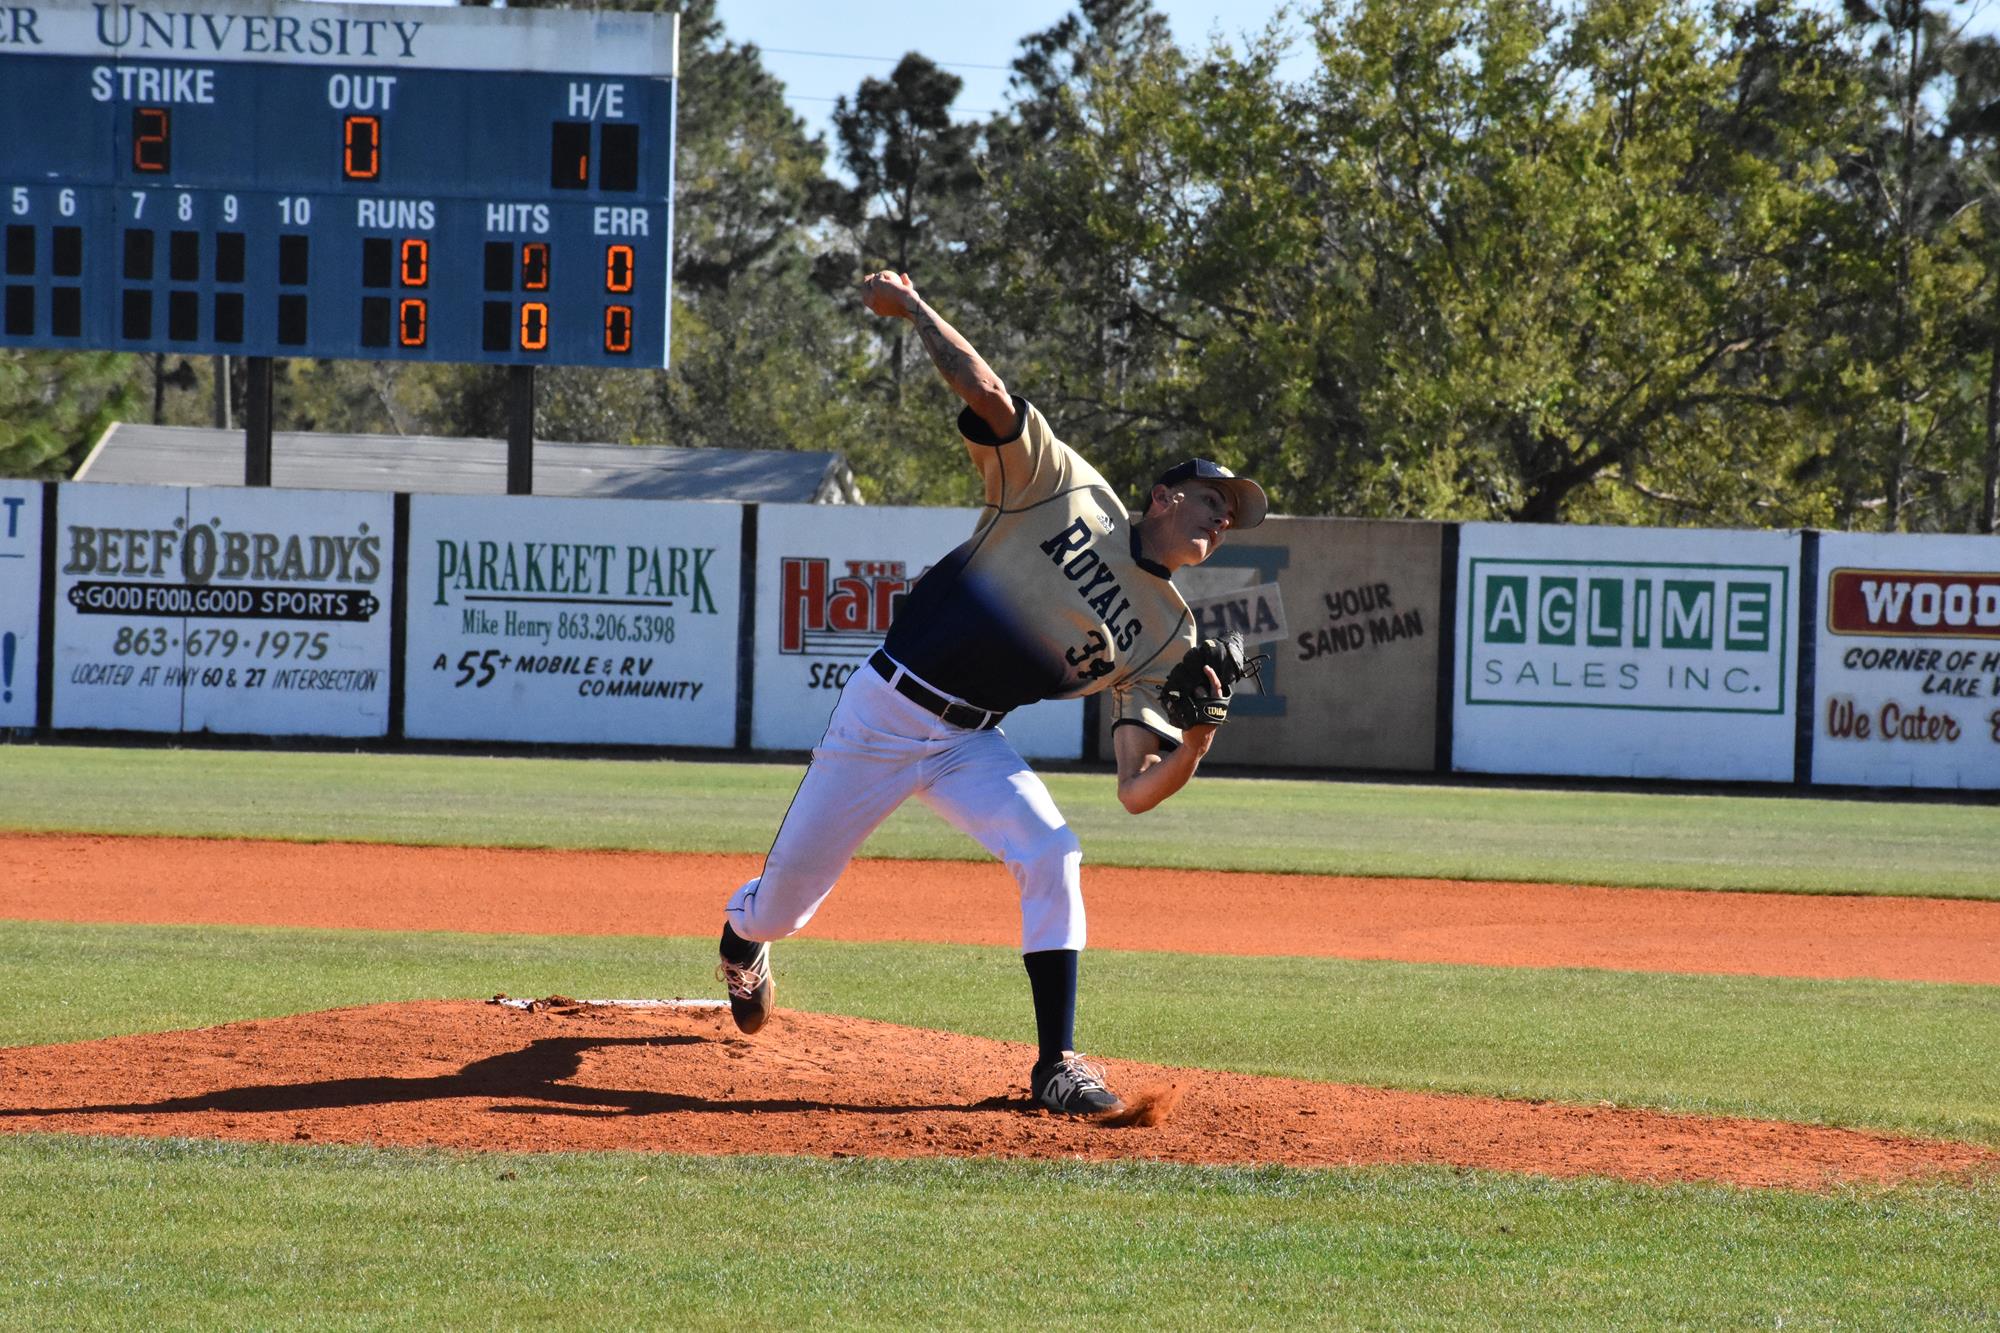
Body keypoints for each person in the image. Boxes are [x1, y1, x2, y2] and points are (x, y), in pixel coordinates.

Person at [716, 270, 1268, 1115]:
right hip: (885, 710)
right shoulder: (1066, 487)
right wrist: (913, 308)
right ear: (1161, 495)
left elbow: (1133, 790)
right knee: (784, 910)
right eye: (1210, 500)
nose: (1221, 520)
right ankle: (740, 940)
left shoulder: (1170, 633)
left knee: (1055, 852)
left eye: (1232, 516)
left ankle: (1055, 1064)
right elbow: (987, 388)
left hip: (971, 741)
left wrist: (1195, 744)